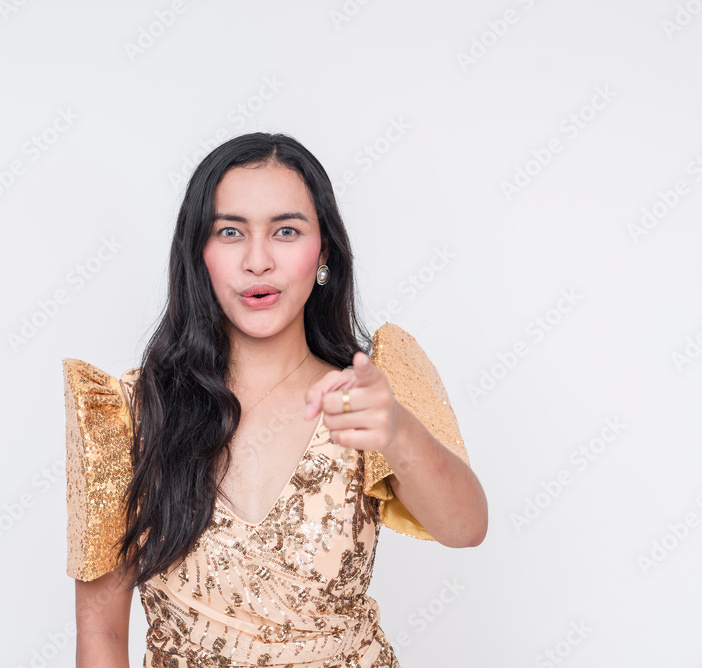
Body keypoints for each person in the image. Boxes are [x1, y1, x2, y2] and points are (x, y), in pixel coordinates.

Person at [63, 132, 488, 667]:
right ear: (201, 254)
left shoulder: (366, 393)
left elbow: (466, 528)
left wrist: (397, 431)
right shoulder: (126, 412)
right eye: (230, 232)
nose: (258, 260)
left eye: (286, 230)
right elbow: (101, 636)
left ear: (324, 251)